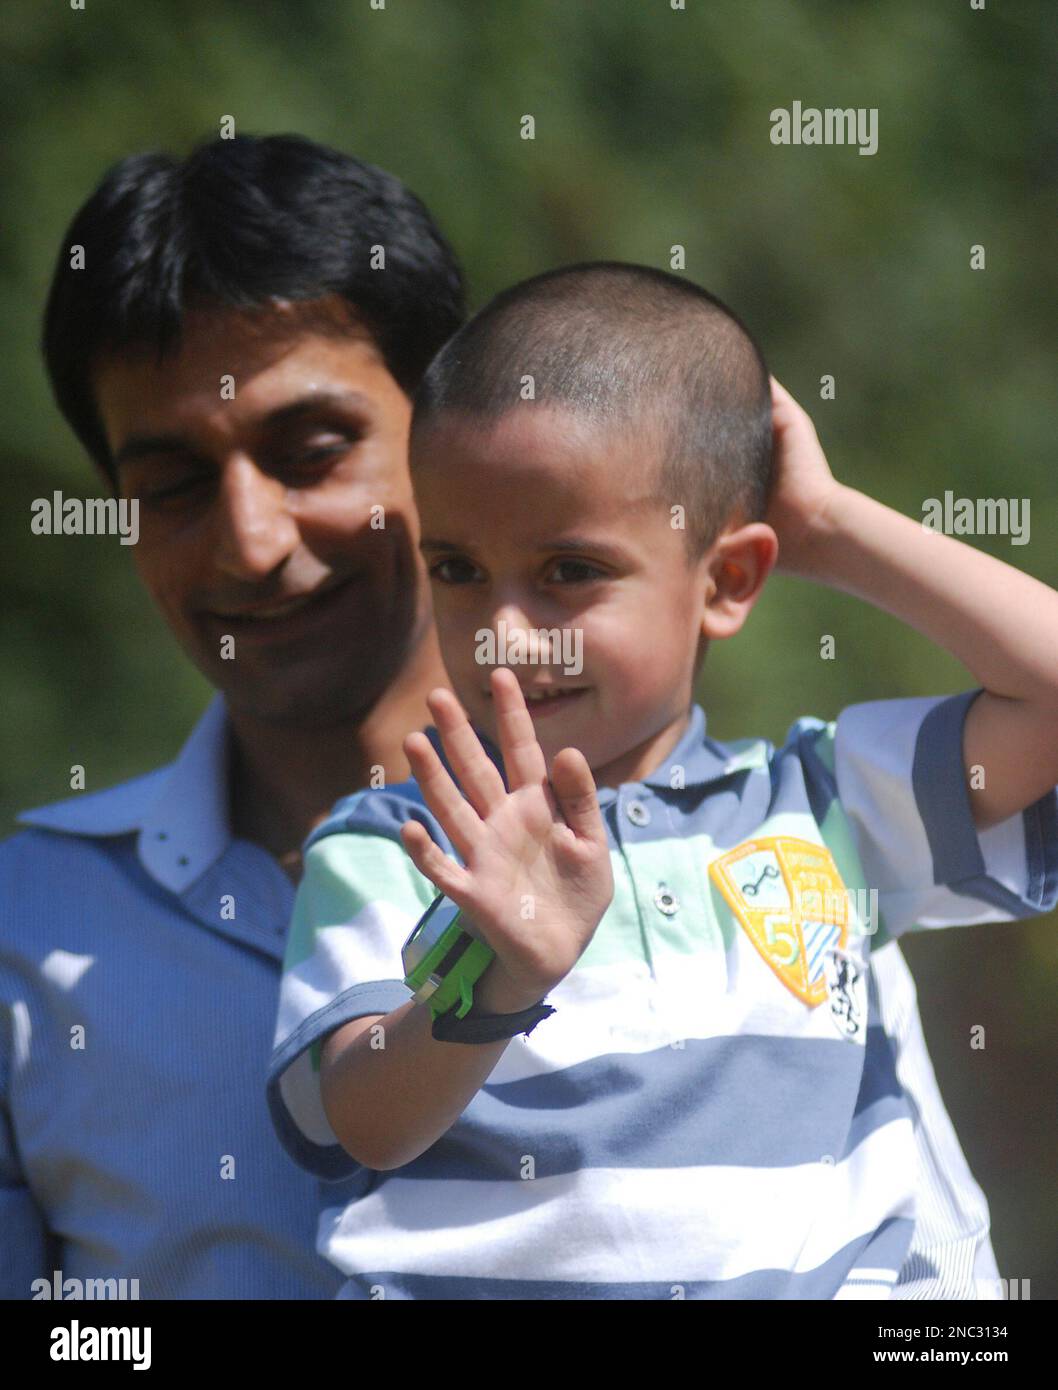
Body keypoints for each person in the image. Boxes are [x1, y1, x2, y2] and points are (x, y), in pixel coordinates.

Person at [266, 262, 1058, 1300]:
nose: (502, 632)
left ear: (728, 579)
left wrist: (831, 526)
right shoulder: (399, 843)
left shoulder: (823, 806)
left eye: (566, 571)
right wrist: (495, 978)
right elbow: (359, 1121)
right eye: (457, 568)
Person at [0, 133, 464, 1298]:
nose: (252, 542)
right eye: (171, 487)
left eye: (310, 452)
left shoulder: (702, 845)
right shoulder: (29, 936)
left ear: (449, 433)